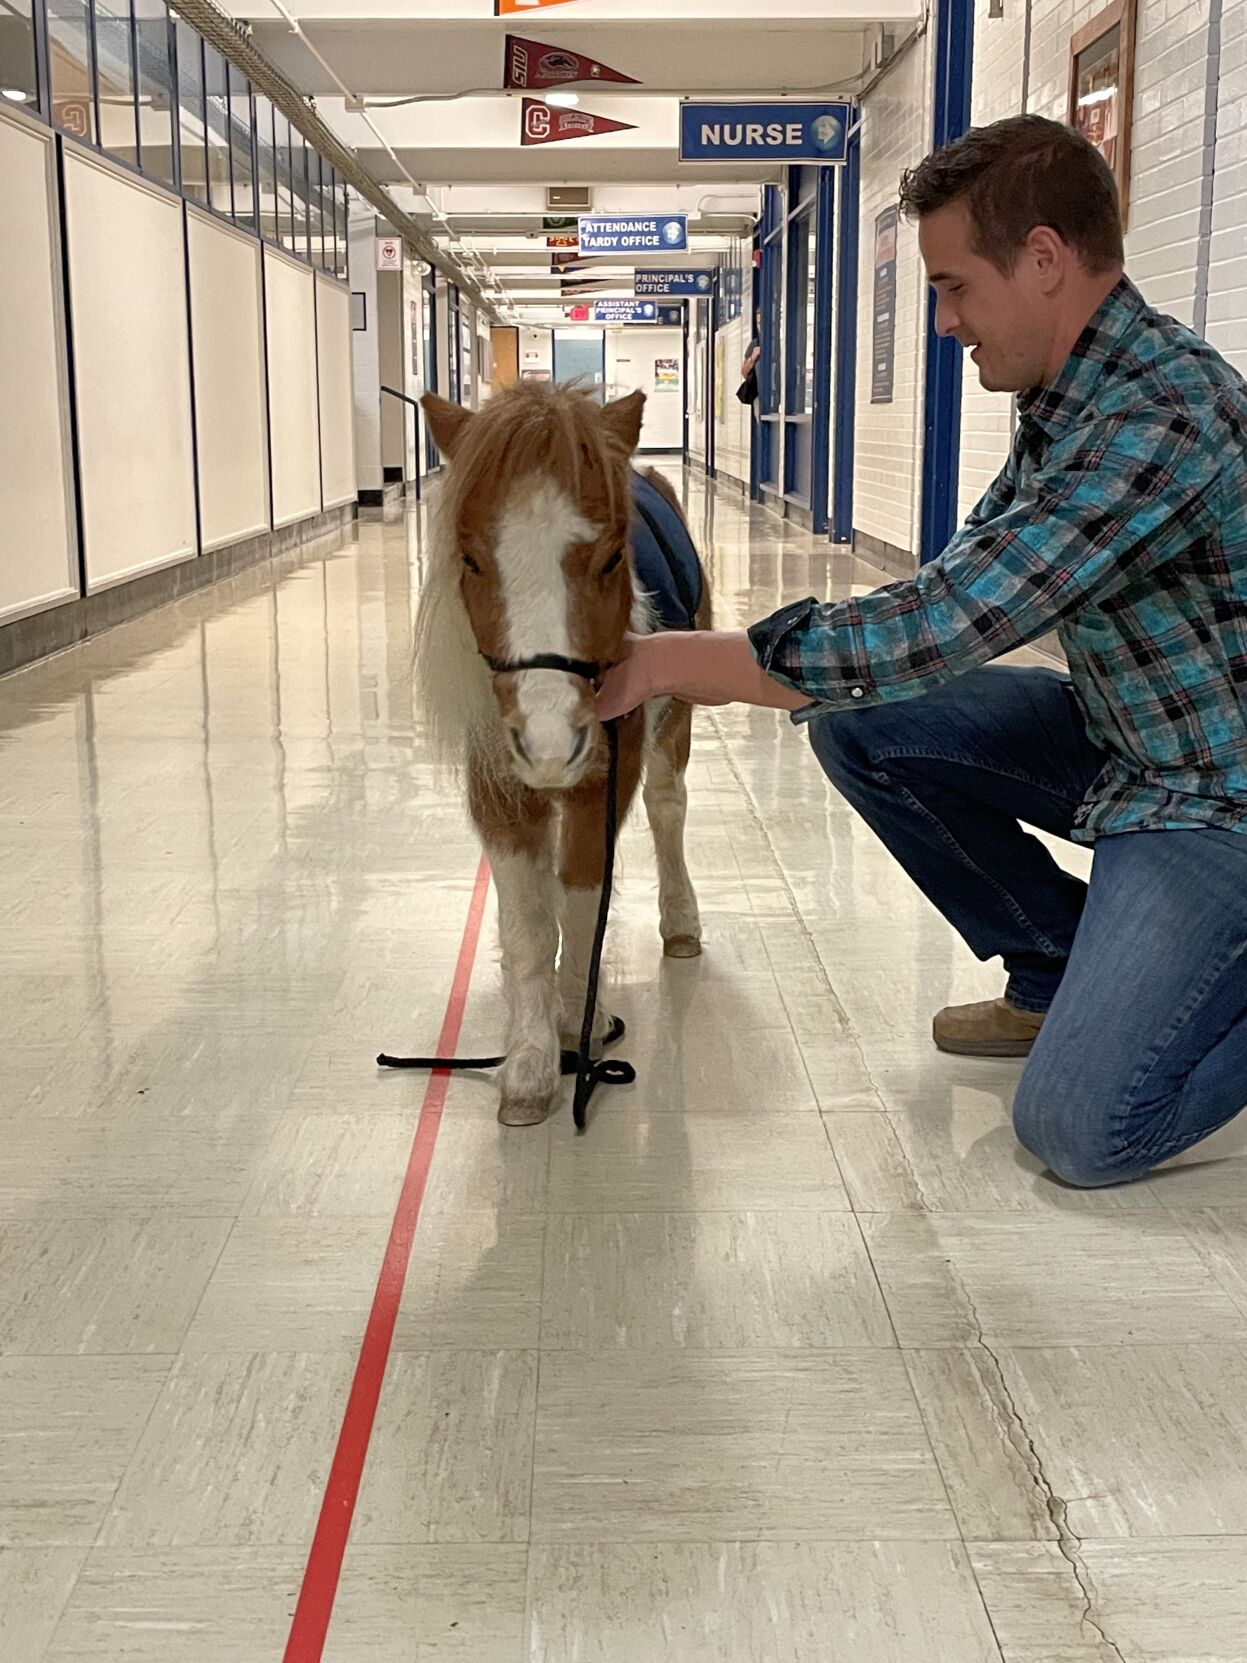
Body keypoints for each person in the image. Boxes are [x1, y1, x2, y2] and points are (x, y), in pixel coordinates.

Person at [598, 113, 1247, 1190]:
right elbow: (943, 595)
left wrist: (667, 663)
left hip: (1214, 796)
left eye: (951, 287)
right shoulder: (1063, 401)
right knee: (858, 719)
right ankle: (1053, 967)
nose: (943, 322)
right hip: (1126, 743)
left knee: (1079, 1129)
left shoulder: (1160, 419)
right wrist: (741, 666)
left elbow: (945, 630)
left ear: (1042, 259)